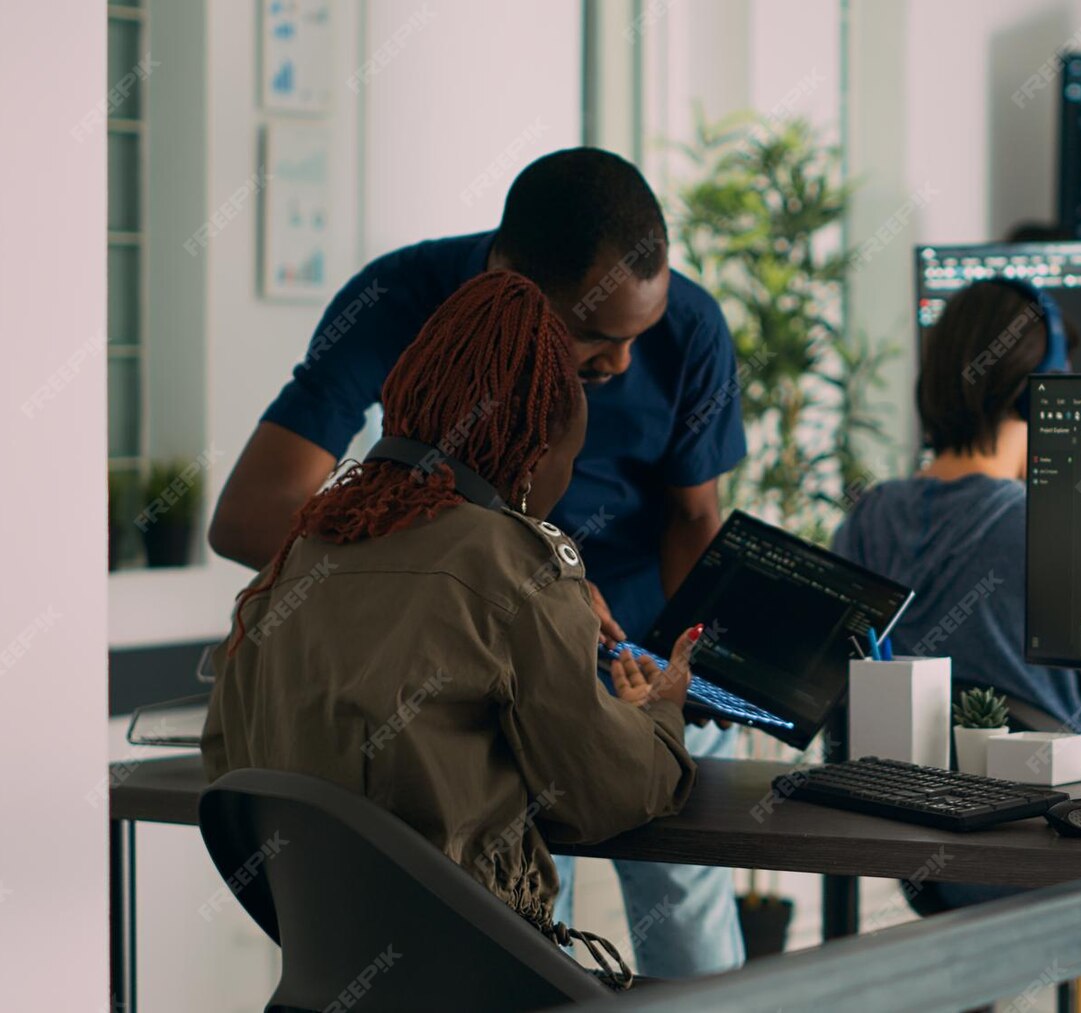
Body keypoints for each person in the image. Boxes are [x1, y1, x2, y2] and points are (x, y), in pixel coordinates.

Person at [206, 148, 746, 976]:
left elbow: (693, 515)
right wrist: (493, 571)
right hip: (524, 690)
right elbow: (249, 511)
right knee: (518, 913)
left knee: (653, 903)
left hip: (612, 661)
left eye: (644, 334)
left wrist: (691, 685)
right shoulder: (399, 303)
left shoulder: (271, 608)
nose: (623, 365)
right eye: (595, 340)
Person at [833, 280, 1081, 769]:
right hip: (1050, 828)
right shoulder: (1065, 527)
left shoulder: (866, 519)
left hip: (890, 818)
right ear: (1040, 395)